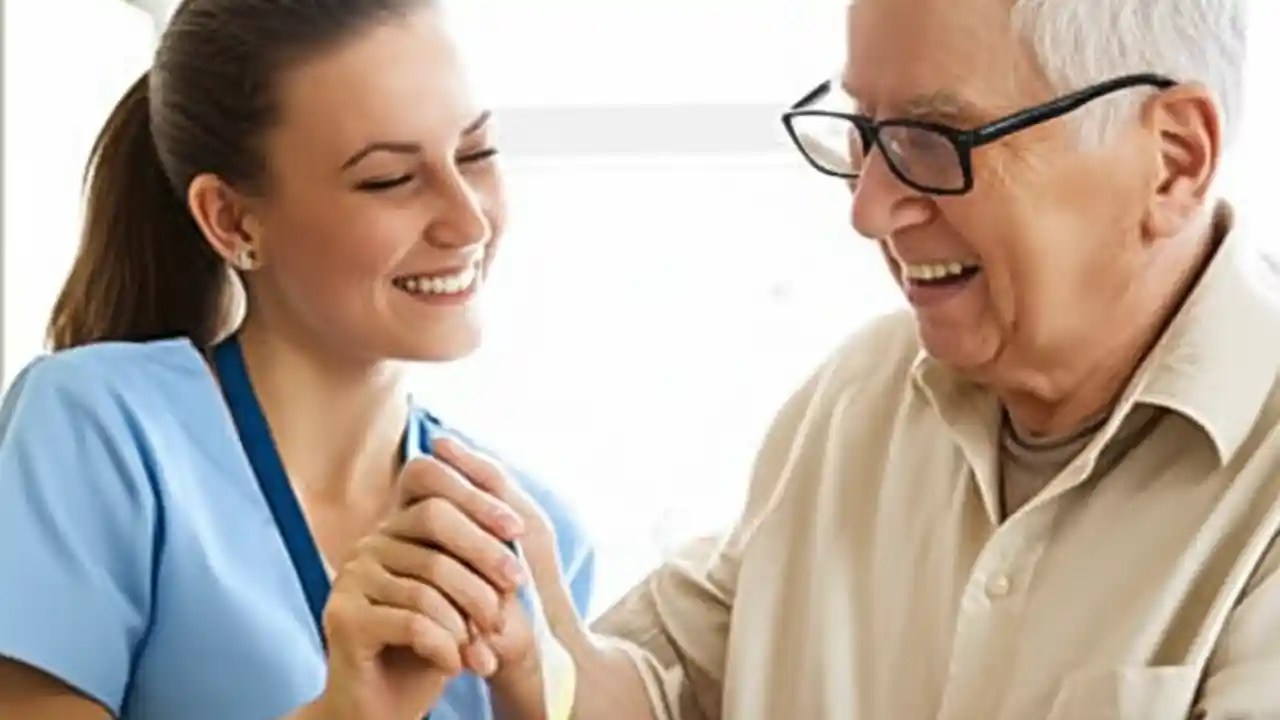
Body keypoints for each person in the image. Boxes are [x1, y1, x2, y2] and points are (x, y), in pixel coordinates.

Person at [429, 0, 1280, 718]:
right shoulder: (858, 399)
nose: (870, 209)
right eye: (864, 134)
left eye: (936, 139)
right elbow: (665, 692)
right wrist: (534, 647)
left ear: (1175, 159)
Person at [0, 1, 594, 719]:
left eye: (476, 154)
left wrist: (533, 700)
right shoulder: (99, 430)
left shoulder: (529, 539)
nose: (468, 220)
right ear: (231, 218)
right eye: (389, 180)